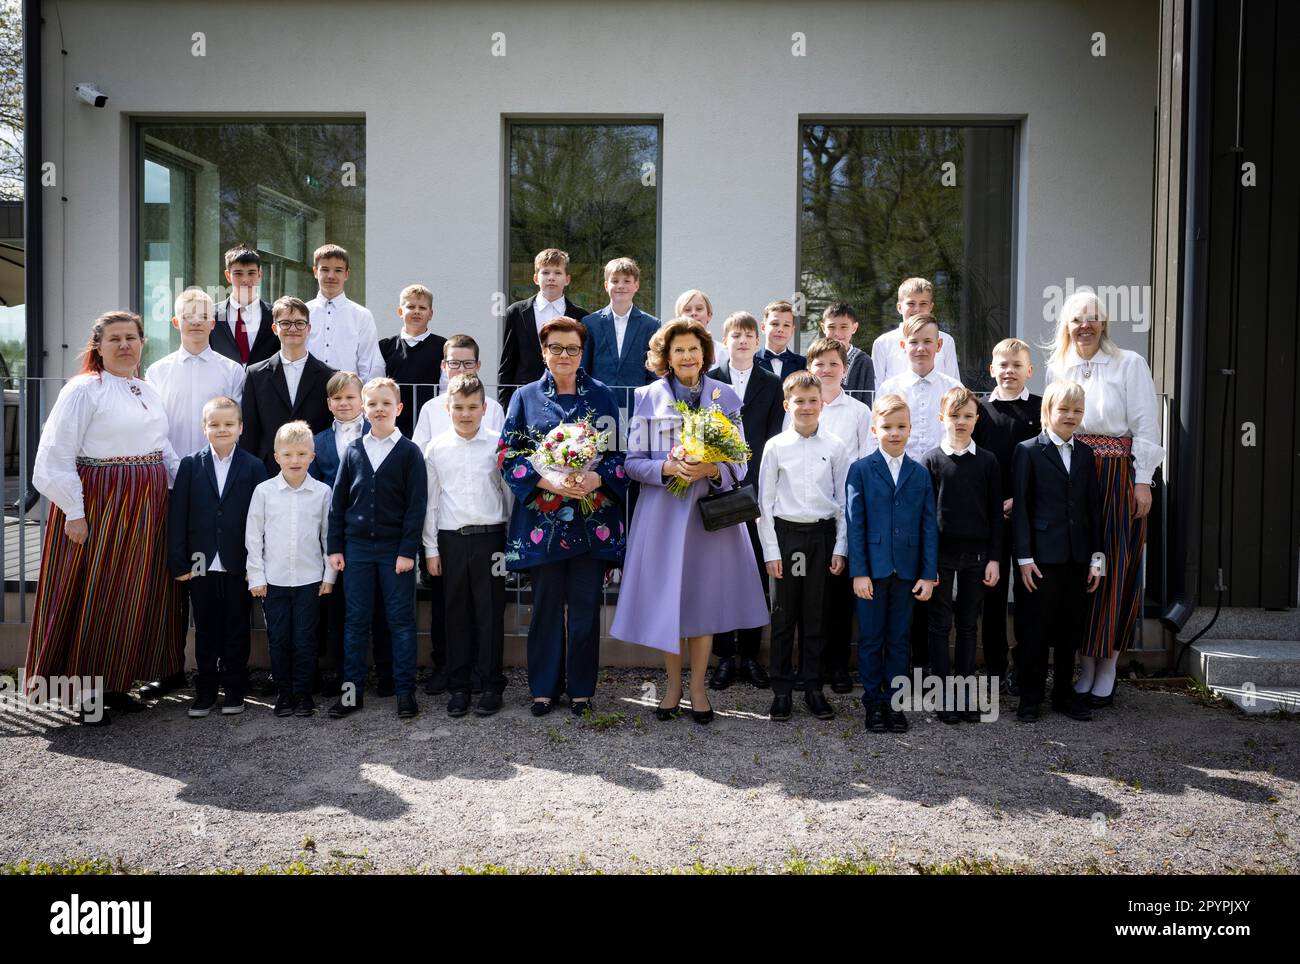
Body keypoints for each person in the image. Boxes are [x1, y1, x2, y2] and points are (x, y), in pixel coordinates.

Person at [26, 310, 184, 725]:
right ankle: (87, 695)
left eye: (131, 337)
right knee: (97, 591)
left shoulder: (145, 389)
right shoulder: (83, 390)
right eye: (114, 338)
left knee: (134, 593)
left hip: (148, 503)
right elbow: (53, 457)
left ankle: (116, 685)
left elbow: (161, 446)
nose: (125, 345)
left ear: (142, 342)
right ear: (98, 345)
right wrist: (74, 513)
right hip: (102, 501)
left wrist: (186, 485)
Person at [611, 318, 769, 725]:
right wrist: (668, 467)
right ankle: (672, 687)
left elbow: (741, 462)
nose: (687, 356)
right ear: (666, 356)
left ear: (705, 354)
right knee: (670, 600)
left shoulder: (725, 395)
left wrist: (712, 471)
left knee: (702, 599)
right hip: (663, 515)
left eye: (694, 349)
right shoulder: (647, 396)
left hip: (709, 520)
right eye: (679, 350)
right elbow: (631, 463)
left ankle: (698, 688)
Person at [500, 317, 627, 717]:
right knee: (546, 608)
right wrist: (547, 482)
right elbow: (507, 453)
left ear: (582, 351)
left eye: (572, 348)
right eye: (556, 348)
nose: (564, 355)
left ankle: (582, 690)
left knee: (586, 610)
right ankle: (543, 688)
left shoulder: (602, 397)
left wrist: (596, 477)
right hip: (544, 522)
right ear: (543, 351)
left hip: (592, 523)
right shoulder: (525, 397)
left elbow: (620, 456)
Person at [1045, 290, 1162, 708]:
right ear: (1066, 325)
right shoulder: (1059, 366)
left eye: (1093, 318)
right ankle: (1083, 662)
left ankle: (1107, 662)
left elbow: (1147, 425)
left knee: (1114, 563)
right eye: (1077, 318)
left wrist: (1142, 480)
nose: (1085, 325)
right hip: (1073, 471)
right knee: (1078, 566)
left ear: (1104, 324)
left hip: (1117, 474)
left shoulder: (1128, 363)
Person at [327, 378, 427, 720]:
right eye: (372, 404)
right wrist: (335, 547)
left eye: (386, 403)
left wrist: (406, 551)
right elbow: (338, 502)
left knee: (400, 621)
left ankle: (404, 693)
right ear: (363, 409)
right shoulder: (354, 450)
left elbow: (416, 507)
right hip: (356, 550)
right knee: (354, 622)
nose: (379, 409)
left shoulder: (410, 453)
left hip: (393, 551)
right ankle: (350, 693)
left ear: (399, 408)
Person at [758, 371, 850, 721]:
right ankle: (781, 691)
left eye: (813, 400)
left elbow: (843, 501)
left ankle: (813, 687)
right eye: (800, 401)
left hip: (821, 539)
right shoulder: (776, 446)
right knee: (784, 616)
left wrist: (840, 547)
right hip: (788, 538)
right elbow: (765, 503)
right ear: (787, 404)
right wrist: (771, 551)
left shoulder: (835, 447)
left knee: (816, 616)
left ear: (822, 404)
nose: (807, 407)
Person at [168, 396, 268, 717]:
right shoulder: (190, 465)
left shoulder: (253, 466)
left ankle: (235, 690)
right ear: (204, 428)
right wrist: (179, 562)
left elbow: (262, 518)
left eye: (228, 424)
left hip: (239, 563)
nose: (221, 429)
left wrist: (258, 564)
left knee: (237, 627)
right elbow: (178, 515)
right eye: (214, 424)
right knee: (207, 629)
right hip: (200, 564)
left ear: (240, 427)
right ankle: (206, 691)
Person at [1012, 381, 1105, 723]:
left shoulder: (1086, 454)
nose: (1070, 416)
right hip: (1039, 559)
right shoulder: (1028, 451)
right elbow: (1021, 508)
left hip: (1077, 557)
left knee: (1070, 631)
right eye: (1063, 409)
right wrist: (1023, 558)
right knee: (1035, 630)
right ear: (1047, 412)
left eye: (1077, 411)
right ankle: (1030, 697)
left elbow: (1093, 509)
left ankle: (1064, 694)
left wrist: (1097, 558)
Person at [847, 394, 938, 734]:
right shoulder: (860, 470)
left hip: (907, 571)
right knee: (871, 638)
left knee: (899, 639)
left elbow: (929, 525)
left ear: (911, 429)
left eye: (901, 427)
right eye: (887, 427)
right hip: (872, 570)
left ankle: (895, 704)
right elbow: (855, 524)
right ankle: (873, 702)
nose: (894, 433)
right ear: (875, 430)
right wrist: (859, 572)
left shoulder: (919, 473)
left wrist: (928, 574)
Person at [423, 374, 512, 718]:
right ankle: (459, 686)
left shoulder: (496, 445)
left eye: (473, 407)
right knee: (455, 614)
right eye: (458, 407)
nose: (465, 414)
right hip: (451, 540)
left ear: (484, 408)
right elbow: (431, 502)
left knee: (490, 613)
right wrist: (431, 549)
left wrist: (509, 538)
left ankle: (490, 685)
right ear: (448, 408)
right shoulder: (436, 448)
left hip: (491, 539)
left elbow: (507, 494)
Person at [789, 336, 872, 693]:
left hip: (844, 511)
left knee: (838, 595)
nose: (826, 370)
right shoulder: (798, 407)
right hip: (808, 514)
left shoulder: (858, 412)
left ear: (845, 369)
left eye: (833, 364)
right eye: (819, 364)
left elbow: (867, 460)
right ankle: (811, 666)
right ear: (810, 369)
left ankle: (838, 665)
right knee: (807, 596)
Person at [707, 311, 782, 691]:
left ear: (757, 341)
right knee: (721, 574)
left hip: (754, 490)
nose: (743, 340)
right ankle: (724, 658)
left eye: (749, 335)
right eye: (736, 334)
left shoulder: (771, 383)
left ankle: (750, 656)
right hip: (718, 487)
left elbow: (772, 438)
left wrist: (755, 482)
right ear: (726, 340)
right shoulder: (711, 382)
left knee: (751, 573)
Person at [919, 387, 1002, 723]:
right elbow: (925, 518)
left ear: (977, 419)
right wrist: (927, 564)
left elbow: (996, 514)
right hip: (941, 556)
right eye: (954, 416)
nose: (961, 422)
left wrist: (994, 557)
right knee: (940, 625)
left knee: (968, 625)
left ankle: (966, 695)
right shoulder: (931, 460)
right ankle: (942, 696)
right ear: (942, 418)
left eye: (968, 416)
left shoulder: (988, 461)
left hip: (978, 556)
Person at [309, 371, 391, 699]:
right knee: (340, 606)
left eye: (350, 398)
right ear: (329, 404)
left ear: (362, 401)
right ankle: (344, 675)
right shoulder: (319, 442)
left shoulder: (381, 433)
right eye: (338, 399)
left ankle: (387, 673)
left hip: (373, 531)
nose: (344, 404)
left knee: (382, 604)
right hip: (336, 532)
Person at [247, 421, 337, 718]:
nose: (295, 460)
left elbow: (328, 537)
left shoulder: (322, 493)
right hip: (274, 582)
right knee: (280, 639)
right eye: (288, 455)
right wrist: (257, 577)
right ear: (276, 457)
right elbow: (253, 537)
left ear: (312, 456)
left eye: (301, 454)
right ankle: (284, 693)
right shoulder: (264, 492)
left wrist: (329, 577)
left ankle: (303, 694)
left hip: (310, 581)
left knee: (305, 639)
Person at [970, 338, 1042, 692]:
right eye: (1003, 364)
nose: (1009, 371)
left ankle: (1024, 666)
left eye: (1017, 365)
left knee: (1029, 596)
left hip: (1030, 518)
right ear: (992, 370)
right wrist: (993, 502)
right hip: (990, 518)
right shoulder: (980, 412)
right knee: (993, 595)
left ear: (1029, 371)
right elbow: (974, 463)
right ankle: (995, 667)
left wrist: (1020, 500)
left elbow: (1045, 465)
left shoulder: (1041, 411)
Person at [241, 296, 337, 474]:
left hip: (314, 471)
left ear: (308, 329)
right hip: (267, 471)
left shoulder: (329, 376)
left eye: (299, 323)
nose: (293, 328)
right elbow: (249, 432)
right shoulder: (255, 374)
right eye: (285, 323)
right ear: (274, 328)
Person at [146, 287, 246, 458]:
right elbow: (154, 427)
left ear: (213, 323)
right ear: (176, 322)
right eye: (188, 316)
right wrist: (175, 467)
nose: (196, 322)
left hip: (218, 472)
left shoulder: (233, 371)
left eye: (204, 316)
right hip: (169, 474)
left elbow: (235, 426)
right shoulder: (157, 372)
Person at [498, 248, 588, 408]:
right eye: (545, 272)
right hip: (525, 396)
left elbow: (584, 362)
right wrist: (504, 406)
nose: (551, 278)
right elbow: (507, 363)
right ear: (535, 278)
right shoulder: (517, 312)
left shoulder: (581, 316)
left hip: (569, 397)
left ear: (567, 279)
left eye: (557, 273)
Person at [875, 313, 963, 459]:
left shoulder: (953, 388)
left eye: (927, 341)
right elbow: (876, 436)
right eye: (914, 342)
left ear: (939, 345)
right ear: (903, 345)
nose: (920, 348)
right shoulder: (889, 389)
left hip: (943, 468)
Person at [580, 257, 659, 411]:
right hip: (598, 403)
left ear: (636, 285)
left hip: (637, 404)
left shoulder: (651, 324)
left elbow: (653, 369)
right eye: (615, 281)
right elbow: (584, 367)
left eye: (627, 281)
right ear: (606, 285)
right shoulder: (590, 323)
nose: (620, 286)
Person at [306, 243, 385, 382]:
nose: (331, 276)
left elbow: (370, 364)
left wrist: (365, 399)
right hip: (307, 393)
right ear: (315, 272)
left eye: (338, 270)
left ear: (346, 274)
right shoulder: (303, 313)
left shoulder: (362, 315)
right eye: (324, 269)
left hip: (348, 397)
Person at [412, 335, 505, 452]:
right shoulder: (430, 408)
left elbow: (502, 453)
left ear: (478, 365)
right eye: (454, 363)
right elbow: (420, 453)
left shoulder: (494, 408)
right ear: (444, 365)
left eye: (468, 363)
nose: (461, 369)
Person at [379, 283, 446, 438]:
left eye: (422, 308)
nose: (416, 311)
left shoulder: (442, 346)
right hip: (393, 424)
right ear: (400, 312)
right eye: (411, 307)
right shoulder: (384, 346)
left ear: (431, 314)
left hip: (430, 423)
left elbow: (444, 387)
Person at [870, 277, 961, 385]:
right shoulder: (883, 343)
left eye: (923, 304)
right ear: (899, 307)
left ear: (931, 307)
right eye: (911, 304)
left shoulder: (946, 341)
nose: (917, 309)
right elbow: (876, 387)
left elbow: (954, 385)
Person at [212, 245, 279, 366]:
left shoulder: (275, 314)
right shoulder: (211, 315)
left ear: (259, 274)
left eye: (251, 273)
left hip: (263, 384)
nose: (245, 279)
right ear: (228, 276)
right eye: (238, 273)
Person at [820, 302, 875, 399]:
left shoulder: (864, 362)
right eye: (831, 327)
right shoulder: (815, 358)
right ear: (823, 328)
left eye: (844, 327)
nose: (837, 333)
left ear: (854, 328)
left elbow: (868, 399)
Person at [676, 288, 729, 367]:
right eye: (687, 310)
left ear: (709, 315)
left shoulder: (723, 352)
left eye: (699, 309)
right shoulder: (670, 350)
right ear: (679, 317)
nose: (693, 313)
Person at [754, 300, 806, 377]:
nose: (780, 329)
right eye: (775, 324)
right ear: (763, 327)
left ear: (792, 330)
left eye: (786, 325)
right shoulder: (751, 361)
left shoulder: (801, 363)